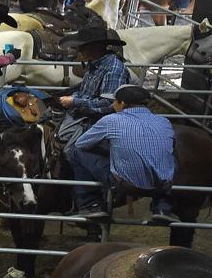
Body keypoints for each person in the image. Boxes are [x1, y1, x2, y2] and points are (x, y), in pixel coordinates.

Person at [66, 85, 179, 225]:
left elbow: (81, 144)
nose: (113, 104)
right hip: (160, 186)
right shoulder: (164, 121)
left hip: (125, 184)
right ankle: (163, 207)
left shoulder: (111, 120)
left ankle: (91, 204)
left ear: (122, 104)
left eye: (115, 101)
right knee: (172, 154)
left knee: (76, 152)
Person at [53, 26, 130, 151]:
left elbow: (108, 105)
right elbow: (85, 91)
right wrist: (73, 97)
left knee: (68, 150)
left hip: (97, 121)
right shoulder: (93, 63)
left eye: (81, 47)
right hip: (84, 114)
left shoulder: (113, 70)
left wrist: (74, 102)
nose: (78, 50)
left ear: (94, 47)